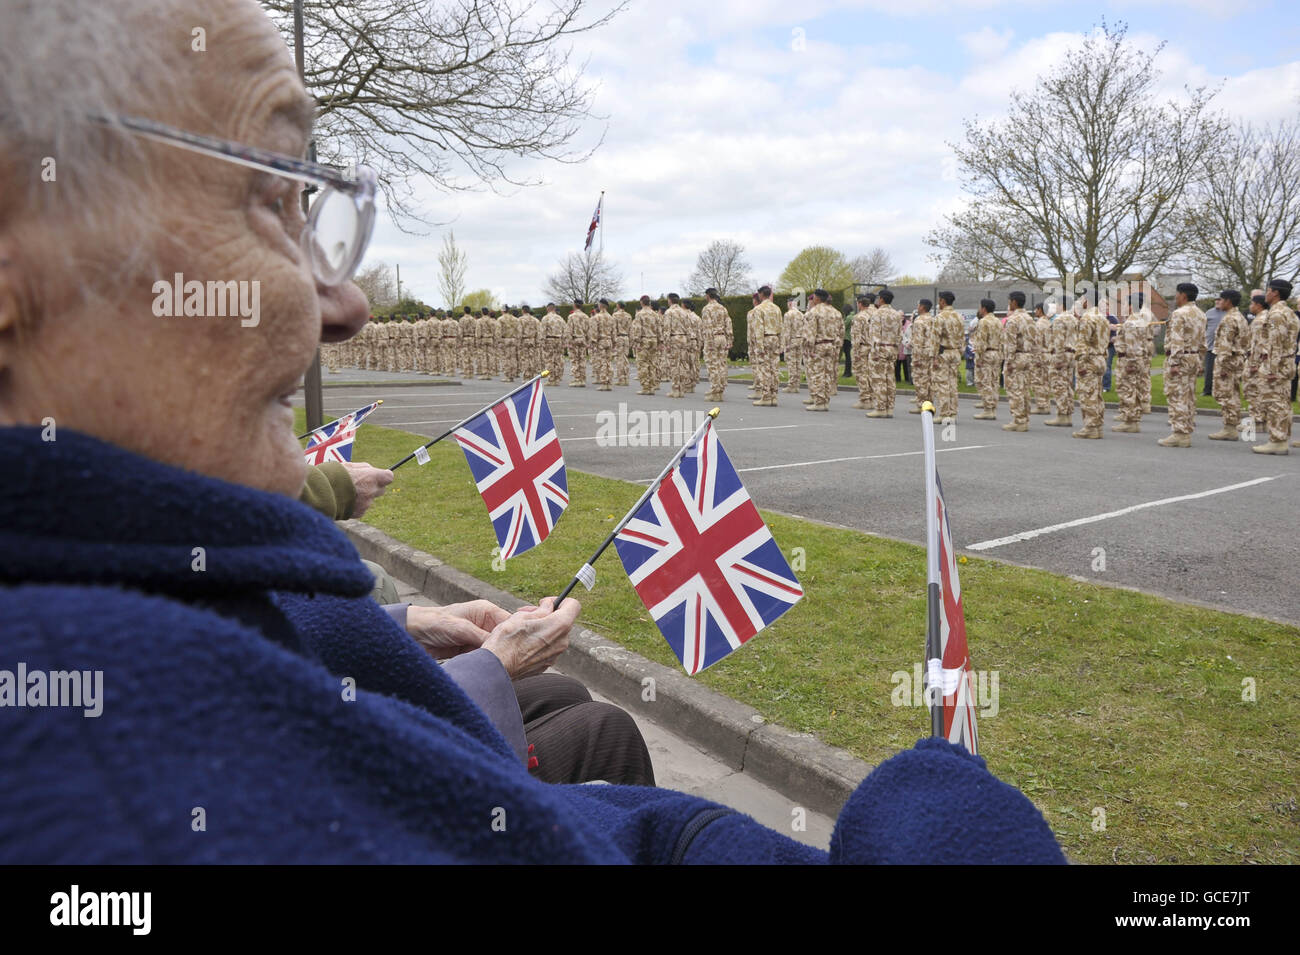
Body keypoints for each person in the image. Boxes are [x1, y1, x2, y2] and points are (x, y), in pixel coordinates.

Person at [0, 0, 1069, 865]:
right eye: (272, 199)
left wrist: (409, 627)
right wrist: (948, 813)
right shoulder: (110, 755)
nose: (345, 302)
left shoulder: (143, 577)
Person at [1250, 279, 1300, 454]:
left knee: (1274, 403)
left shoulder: (1276, 314)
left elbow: (1274, 344)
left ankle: (1277, 440)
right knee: (1283, 403)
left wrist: (1271, 369)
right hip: (1286, 362)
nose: (1267, 294)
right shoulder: (1290, 313)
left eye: (1269, 290)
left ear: (1275, 293)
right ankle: (1281, 438)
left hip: (1277, 364)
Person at [1158, 283, 1207, 449]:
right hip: (1193, 357)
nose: (1175, 297)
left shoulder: (1179, 314)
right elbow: (1203, 341)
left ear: (1183, 295)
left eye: (1177, 294)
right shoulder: (1200, 314)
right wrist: (1200, 359)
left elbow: (1176, 340)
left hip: (1181, 358)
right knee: (1189, 396)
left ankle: (1179, 434)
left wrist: (1174, 362)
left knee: (1177, 395)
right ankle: (1185, 429)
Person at [1207, 290, 1248, 440]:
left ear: (1228, 301)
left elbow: (1225, 344)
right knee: (1234, 393)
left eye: (1222, 300)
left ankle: (1230, 428)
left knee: (1226, 395)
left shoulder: (1229, 320)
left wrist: (1223, 366)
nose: (1220, 302)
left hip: (1228, 361)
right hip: (1237, 359)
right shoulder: (1240, 317)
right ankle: (1232, 425)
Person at [1072, 296, 1109, 439]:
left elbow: (1082, 343)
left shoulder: (1087, 318)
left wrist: (1081, 363)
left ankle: (1090, 427)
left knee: (1087, 395)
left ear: (1087, 301)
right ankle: (1098, 426)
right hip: (1100, 358)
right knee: (1097, 395)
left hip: (1089, 359)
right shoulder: (1102, 318)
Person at [1111, 296, 1149, 433]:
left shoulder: (1131, 322)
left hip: (1129, 359)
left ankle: (1130, 421)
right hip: (1137, 358)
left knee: (1127, 389)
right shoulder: (1140, 321)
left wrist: (1130, 363)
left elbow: (1131, 345)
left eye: (1126, 304)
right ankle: (1131, 417)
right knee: (1134, 389)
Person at [1000, 291, 1035, 432]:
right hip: (1028, 356)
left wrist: (1008, 362)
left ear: (1014, 302)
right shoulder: (1029, 318)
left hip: (1016, 357)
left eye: (1009, 301)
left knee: (1015, 390)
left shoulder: (1013, 320)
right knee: (1024, 389)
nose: (1009, 303)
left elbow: (1010, 344)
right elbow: (1035, 341)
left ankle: (1018, 420)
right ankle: (1024, 418)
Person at [866, 289, 903, 418]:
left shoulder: (877, 314)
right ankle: (889, 408)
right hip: (892, 348)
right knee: (890, 380)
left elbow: (874, 335)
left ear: (881, 299)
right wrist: (895, 348)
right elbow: (900, 335)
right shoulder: (896, 314)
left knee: (879, 380)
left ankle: (880, 408)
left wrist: (875, 351)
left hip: (880, 349)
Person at [805, 289, 842, 411]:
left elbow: (810, 333)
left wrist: (809, 348)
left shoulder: (814, 312)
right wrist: (836, 346)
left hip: (818, 345)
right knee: (828, 374)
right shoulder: (836, 312)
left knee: (817, 374)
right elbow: (840, 332)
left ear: (816, 298)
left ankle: (819, 402)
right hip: (831, 345)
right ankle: (826, 400)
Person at [934, 291, 964, 421]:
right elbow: (963, 336)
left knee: (943, 384)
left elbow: (935, 338)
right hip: (955, 352)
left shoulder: (940, 317)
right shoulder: (959, 317)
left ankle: (944, 414)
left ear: (942, 301)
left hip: (944, 352)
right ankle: (953, 413)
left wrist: (933, 356)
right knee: (953, 384)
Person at [970, 298, 1003, 420]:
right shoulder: (998, 321)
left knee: (984, 381)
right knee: (994, 381)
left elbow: (981, 342)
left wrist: (978, 358)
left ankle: (988, 409)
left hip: (986, 354)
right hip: (996, 353)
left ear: (983, 308)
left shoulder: (983, 322)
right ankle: (992, 405)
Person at [751, 285, 783, 407]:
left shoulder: (759, 309)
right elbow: (781, 327)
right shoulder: (777, 309)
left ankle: (766, 396)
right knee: (774, 368)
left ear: (761, 294)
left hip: (764, 338)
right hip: (775, 338)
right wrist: (781, 344)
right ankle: (774, 396)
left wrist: (759, 346)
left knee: (764, 369)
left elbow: (758, 329)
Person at [700, 288, 732, 402]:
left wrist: (708, 342)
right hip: (722, 337)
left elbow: (707, 326)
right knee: (721, 364)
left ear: (708, 296)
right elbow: (728, 324)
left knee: (712, 364)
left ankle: (715, 389)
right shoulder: (722, 308)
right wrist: (730, 340)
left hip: (712, 338)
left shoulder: (707, 309)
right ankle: (720, 389)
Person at [908, 299, 936, 414]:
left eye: (918, 305)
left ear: (922, 307)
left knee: (920, 380)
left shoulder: (919, 321)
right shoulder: (933, 319)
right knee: (929, 380)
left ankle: (921, 405)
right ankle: (929, 403)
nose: (917, 307)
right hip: (931, 353)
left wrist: (917, 358)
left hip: (922, 353)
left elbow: (918, 341)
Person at [632, 295, 660, 396]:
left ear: (641, 302)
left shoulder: (640, 314)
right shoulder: (655, 314)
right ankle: (652, 386)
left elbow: (637, 329)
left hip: (644, 340)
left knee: (642, 364)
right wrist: (660, 341)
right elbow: (659, 329)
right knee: (652, 364)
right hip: (653, 340)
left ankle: (645, 387)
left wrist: (637, 341)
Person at [850, 295, 873, 410]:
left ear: (860, 304)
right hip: (872, 347)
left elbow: (856, 336)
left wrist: (856, 351)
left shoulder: (859, 317)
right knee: (869, 374)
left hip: (862, 348)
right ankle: (872, 398)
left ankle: (865, 399)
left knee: (861, 374)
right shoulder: (872, 315)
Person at [782, 296, 806, 393]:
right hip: (800, 340)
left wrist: (786, 344)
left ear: (790, 304)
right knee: (798, 363)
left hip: (791, 341)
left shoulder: (788, 314)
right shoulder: (801, 315)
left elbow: (787, 330)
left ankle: (791, 385)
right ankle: (797, 384)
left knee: (791, 363)